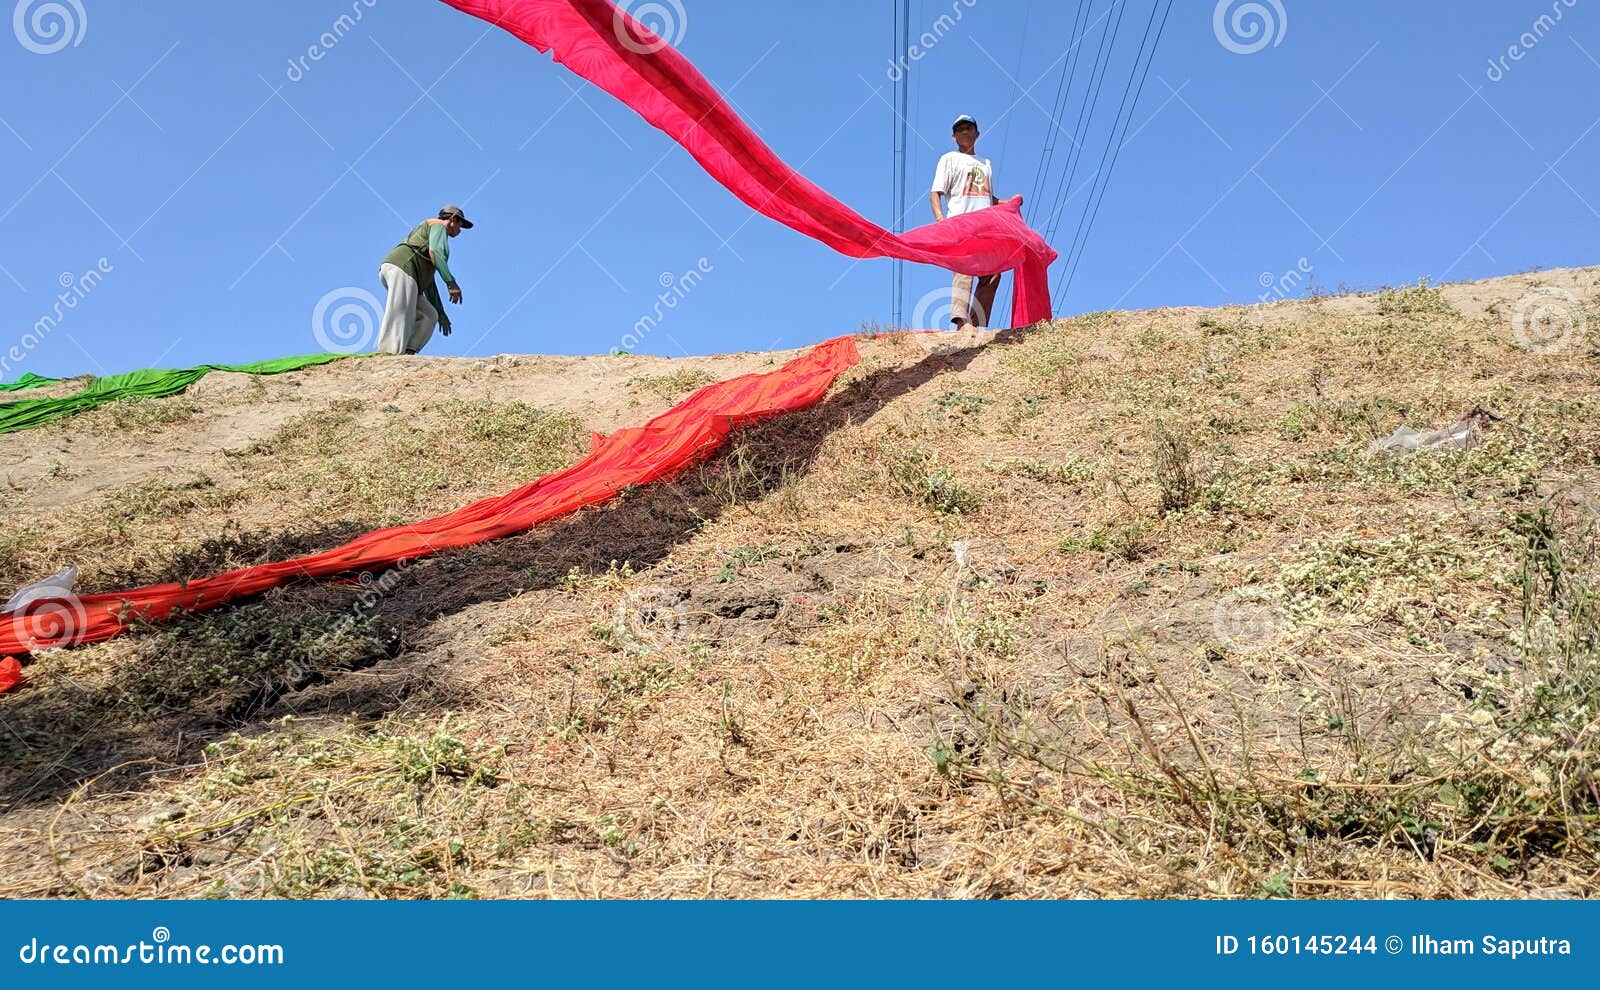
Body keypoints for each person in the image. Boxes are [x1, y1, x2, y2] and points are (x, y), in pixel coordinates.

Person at [929, 114, 1002, 330]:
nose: (965, 132)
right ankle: (961, 321)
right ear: (953, 136)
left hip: (985, 225)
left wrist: (1010, 202)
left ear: (977, 134)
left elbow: (988, 198)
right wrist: (940, 219)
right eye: (960, 129)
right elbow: (935, 193)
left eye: (969, 128)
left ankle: (978, 324)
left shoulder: (985, 163)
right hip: (961, 222)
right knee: (964, 268)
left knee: (993, 271)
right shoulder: (949, 159)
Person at [378, 204, 473, 355]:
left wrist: (441, 313)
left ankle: (408, 351)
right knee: (401, 311)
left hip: (409, 275)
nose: (460, 231)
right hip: (403, 267)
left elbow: (429, 283)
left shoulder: (435, 234)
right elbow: (435, 251)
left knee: (430, 315)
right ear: (453, 219)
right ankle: (388, 353)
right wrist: (451, 282)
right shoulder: (439, 226)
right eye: (460, 225)